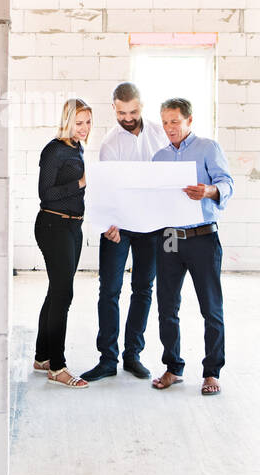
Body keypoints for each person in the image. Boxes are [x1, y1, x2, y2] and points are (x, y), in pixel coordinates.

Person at [80, 82, 169, 383]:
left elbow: (167, 181)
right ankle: (107, 358)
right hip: (119, 228)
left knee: (144, 290)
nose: (127, 118)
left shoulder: (159, 135)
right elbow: (107, 190)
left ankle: (133, 355)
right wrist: (108, 225)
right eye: (121, 112)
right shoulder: (110, 143)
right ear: (114, 108)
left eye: (132, 111)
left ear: (141, 106)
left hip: (152, 228)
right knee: (110, 290)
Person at [150, 98, 234, 397]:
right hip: (170, 238)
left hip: (202, 237)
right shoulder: (158, 157)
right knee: (167, 307)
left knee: (211, 308)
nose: (169, 127)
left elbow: (227, 184)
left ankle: (212, 372)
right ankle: (173, 367)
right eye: (165, 122)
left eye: (175, 121)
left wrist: (209, 190)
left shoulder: (208, 148)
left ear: (189, 121)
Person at [33, 98, 92, 389]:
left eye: (88, 122)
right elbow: (45, 194)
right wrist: (80, 184)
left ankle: (42, 356)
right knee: (63, 295)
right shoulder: (54, 149)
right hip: (53, 225)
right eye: (78, 122)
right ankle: (57, 367)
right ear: (66, 121)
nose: (84, 128)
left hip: (72, 226)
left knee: (56, 291)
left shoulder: (77, 148)